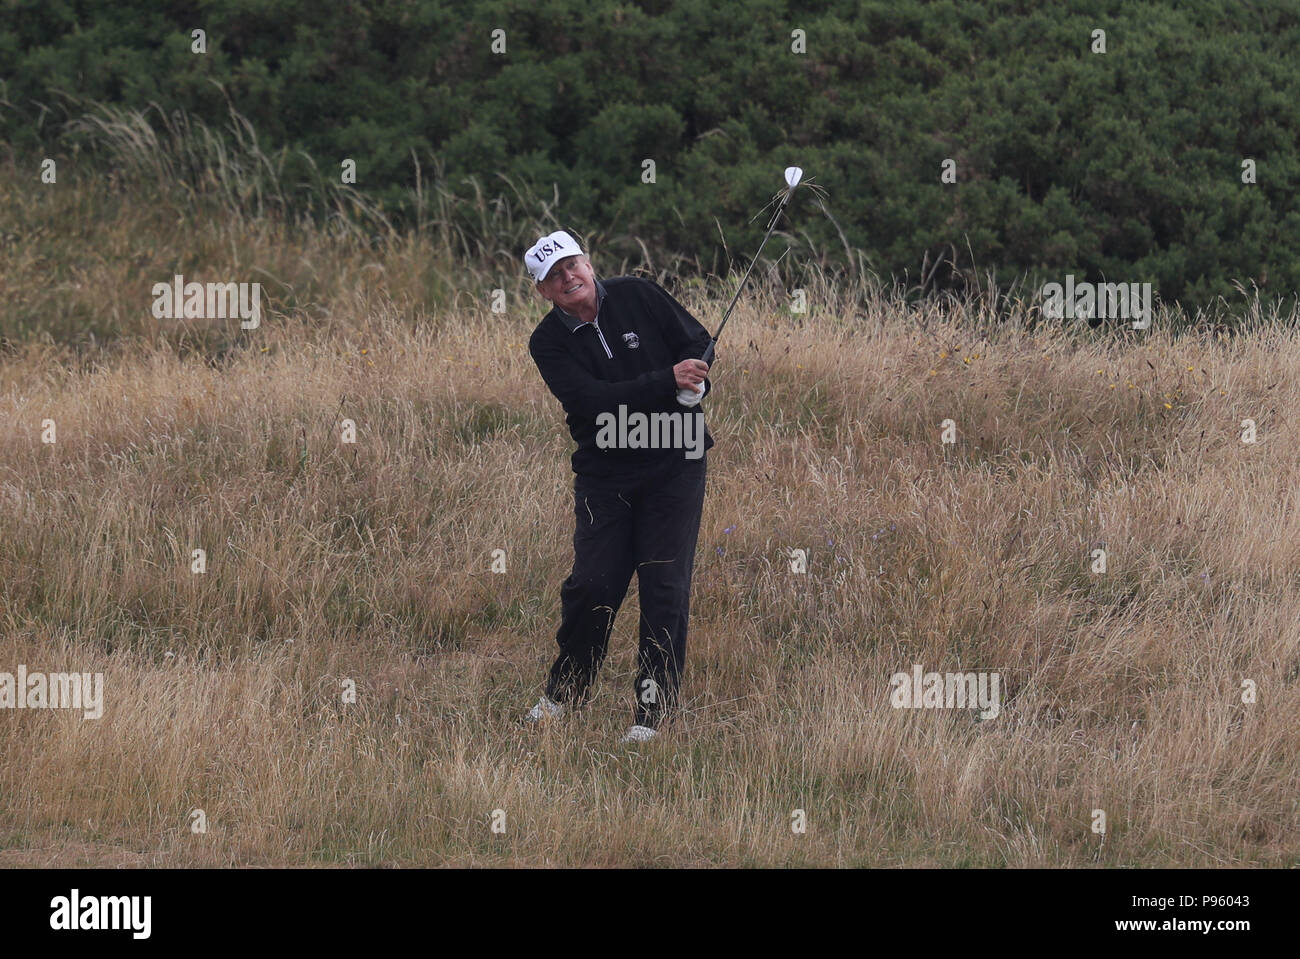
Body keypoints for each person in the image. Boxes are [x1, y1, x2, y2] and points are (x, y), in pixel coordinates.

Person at [524, 229, 715, 743]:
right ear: (542, 291)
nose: (568, 278)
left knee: (663, 585)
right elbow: (593, 401)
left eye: (572, 265)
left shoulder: (637, 293)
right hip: (605, 474)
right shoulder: (547, 343)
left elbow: (696, 341)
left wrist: (698, 379)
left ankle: (650, 716)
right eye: (553, 276)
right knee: (593, 585)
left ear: (589, 263)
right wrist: (665, 382)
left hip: (676, 460)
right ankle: (565, 694)